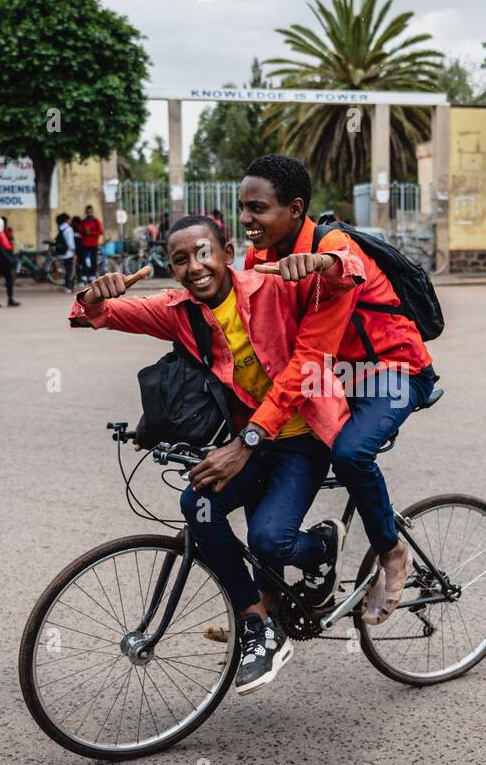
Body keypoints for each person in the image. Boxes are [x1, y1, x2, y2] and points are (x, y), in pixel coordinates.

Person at [68, 214, 363, 694]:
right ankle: (256, 625)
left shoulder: (271, 289)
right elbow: (96, 316)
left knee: (269, 541)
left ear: (227, 253)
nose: (194, 267)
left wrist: (322, 261)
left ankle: (320, 547)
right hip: (253, 440)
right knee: (196, 502)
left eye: (203, 252)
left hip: (303, 436)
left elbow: (346, 276)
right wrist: (95, 296)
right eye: (179, 260)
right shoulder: (178, 309)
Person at [239, 155, 436, 625]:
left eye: (258, 208)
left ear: (295, 208)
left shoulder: (332, 243)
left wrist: (320, 263)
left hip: (394, 370)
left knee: (350, 454)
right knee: (267, 456)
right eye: (242, 206)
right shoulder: (257, 256)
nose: (246, 219)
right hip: (332, 376)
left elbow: (346, 267)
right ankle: (276, 602)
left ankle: (391, 551)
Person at [77, 205, 103, 279]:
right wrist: (84, 232)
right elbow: (80, 231)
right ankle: (85, 274)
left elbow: (100, 232)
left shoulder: (96, 221)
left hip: (93, 244)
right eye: (88, 212)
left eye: (90, 212)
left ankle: (92, 274)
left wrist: (91, 232)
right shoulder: (83, 221)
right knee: (84, 259)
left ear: (92, 212)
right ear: (86, 212)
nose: (89, 213)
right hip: (85, 243)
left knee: (93, 259)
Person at [53, 213, 76, 292]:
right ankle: (68, 287)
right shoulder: (69, 229)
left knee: (65, 270)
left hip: (61, 252)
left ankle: (66, 287)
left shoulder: (60, 228)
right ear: (66, 220)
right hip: (68, 253)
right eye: (69, 219)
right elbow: (70, 242)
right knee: (70, 270)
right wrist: (74, 252)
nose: (70, 221)